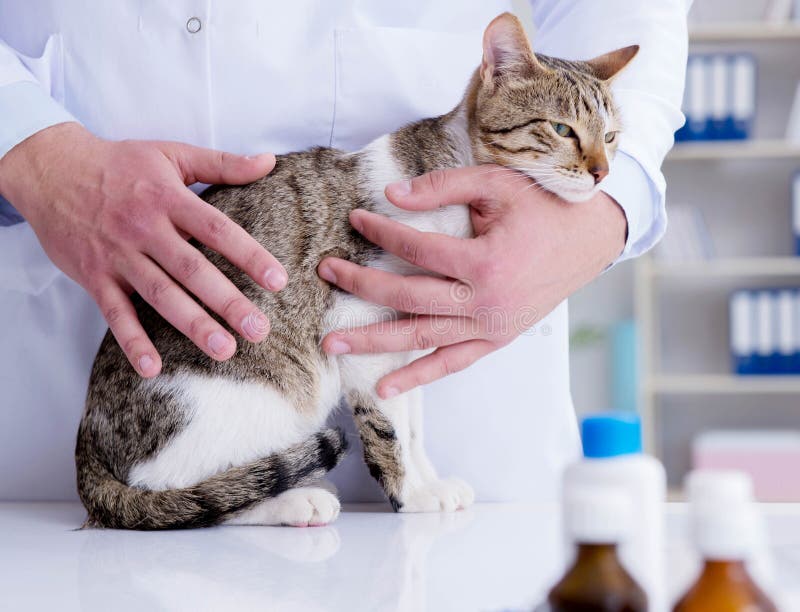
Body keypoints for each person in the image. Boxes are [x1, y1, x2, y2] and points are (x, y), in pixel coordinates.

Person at [0, 1, 689, 503]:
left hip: (475, 424)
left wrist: (606, 209)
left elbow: (638, 19)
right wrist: (32, 151)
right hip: (83, 369)